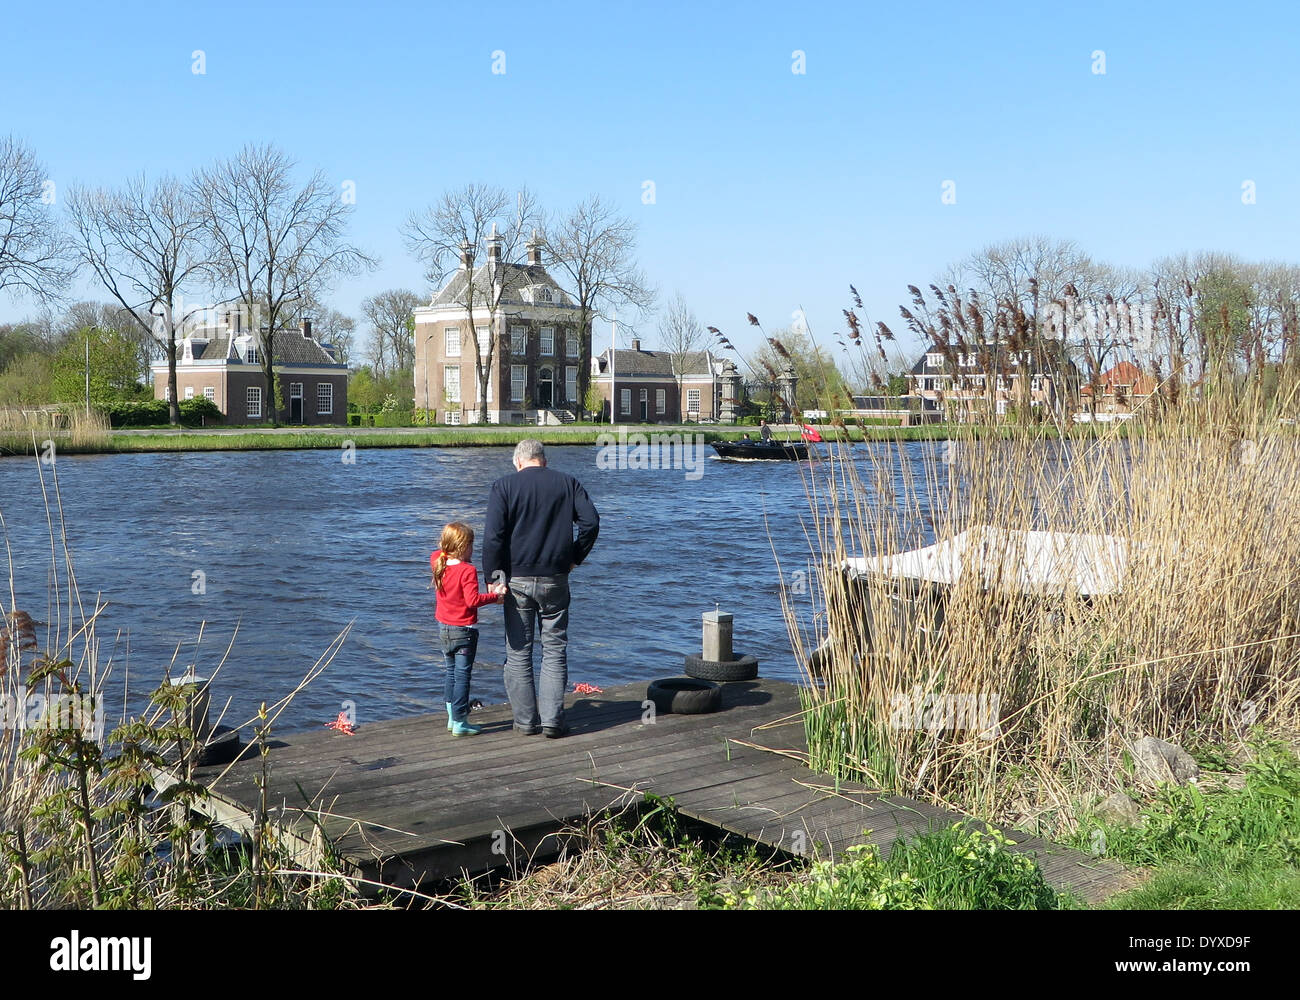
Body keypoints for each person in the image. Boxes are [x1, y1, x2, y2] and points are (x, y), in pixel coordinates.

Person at [483, 440, 599, 738]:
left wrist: (493, 578)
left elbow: (494, 537)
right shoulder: (567, 483)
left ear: (518, 462)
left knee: (519, 652)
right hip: (555, 578)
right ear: (542, 460)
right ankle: (552, 721)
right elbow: (591, 523)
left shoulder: (504, 486)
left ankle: (525, 722)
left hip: (516, 580)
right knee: (555, 651)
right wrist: (574, 557)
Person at [432, 521, 505, 737]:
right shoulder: (467, 570)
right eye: (471, 545)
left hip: (443, 628)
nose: (473, 550)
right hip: (464, 631)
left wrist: (449, 549)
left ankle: (450, 717)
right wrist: (496, 596)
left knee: (450, 674)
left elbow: (439, 551)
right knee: (463, 676)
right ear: (464, 547)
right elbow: (472, 601)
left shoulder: (438, 561)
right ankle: (460, 721)